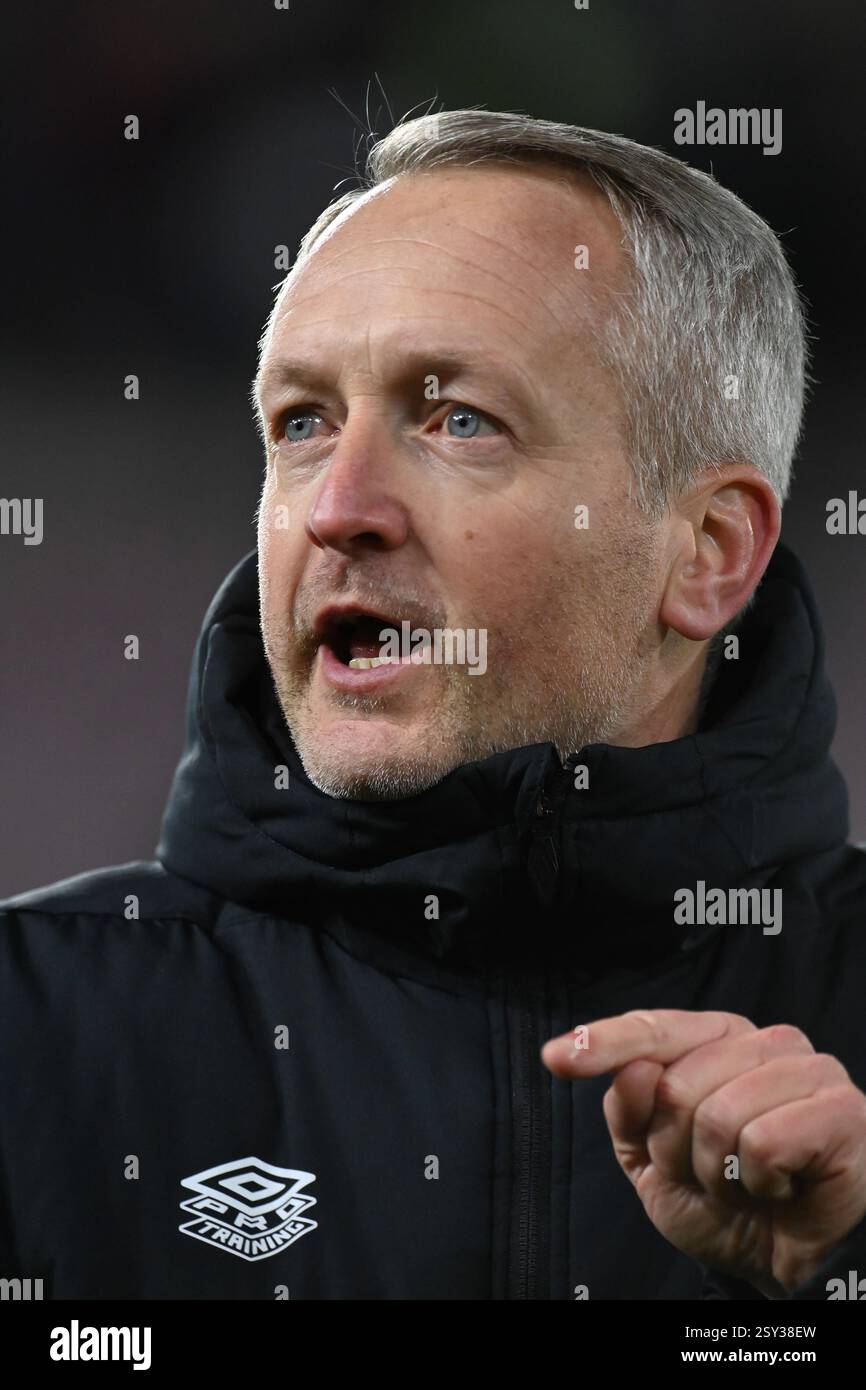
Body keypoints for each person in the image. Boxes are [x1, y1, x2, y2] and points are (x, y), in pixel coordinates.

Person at [2, 108, 865, 1301]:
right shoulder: (30, 1028)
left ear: (708, 551)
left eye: (457, 418)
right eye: (301, 423)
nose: (336, 506)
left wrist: (820, 1291)